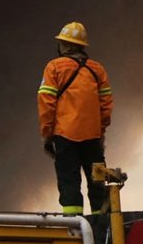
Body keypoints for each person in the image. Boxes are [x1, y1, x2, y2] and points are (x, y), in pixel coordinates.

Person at [37, 21, 115, 215]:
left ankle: (74, 223)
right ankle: (101, 225)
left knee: (69, 182)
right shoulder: (97, 70)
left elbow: (46, 102)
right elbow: (106, 105)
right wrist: (100, 132)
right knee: (98, 183)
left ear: (64, 45)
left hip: (64, 136)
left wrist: (47, 133)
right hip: (93, 137)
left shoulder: (54, 67)